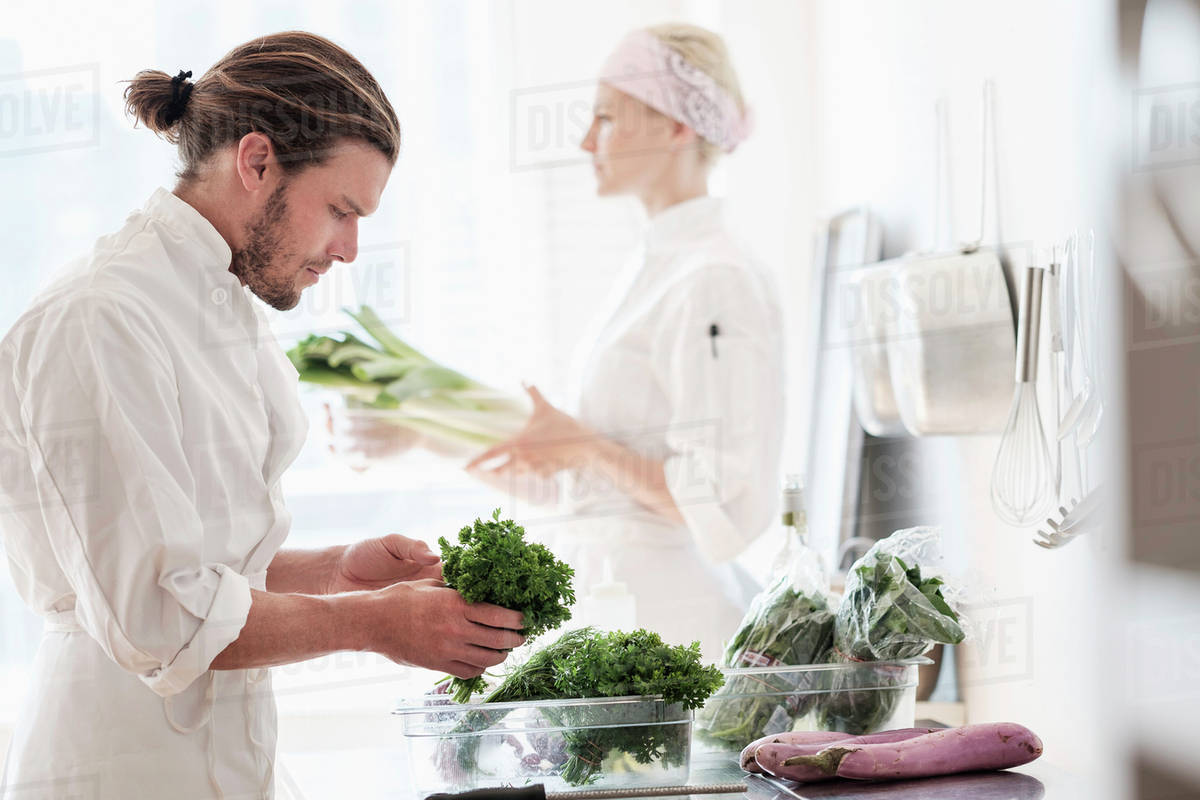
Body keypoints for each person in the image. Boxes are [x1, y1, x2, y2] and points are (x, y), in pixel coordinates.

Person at [0, 32, 525, 800]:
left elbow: (197, 562)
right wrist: (375, 623)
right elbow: (159, 618)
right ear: (255, 162)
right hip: (122, 770)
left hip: (230, 764)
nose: (349, 249)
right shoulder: (101, 319)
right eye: (341, 210)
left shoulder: (222, 304)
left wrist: (337, 573)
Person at [466, 23, 785, 662]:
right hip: (623, 613)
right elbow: (615, 487)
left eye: (607, 117)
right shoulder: (656, 267)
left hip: (674, 625)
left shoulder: (713, 279)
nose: (587, 140)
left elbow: (718, 501)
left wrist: (581, 444)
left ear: (677, 127)